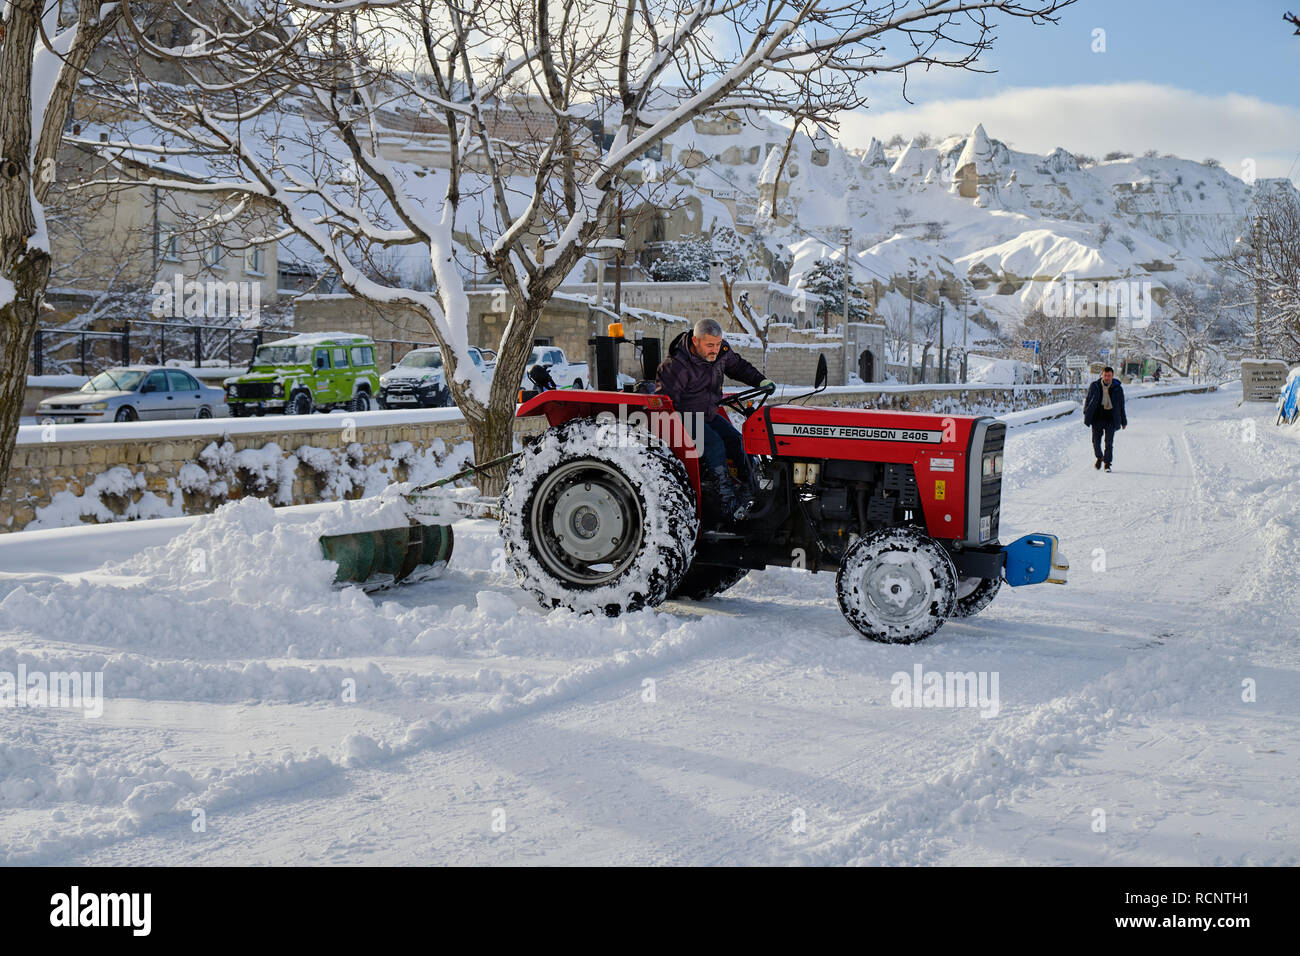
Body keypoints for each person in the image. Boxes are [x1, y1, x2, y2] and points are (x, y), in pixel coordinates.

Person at [655, 318, 773, 520]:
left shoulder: (721, 353)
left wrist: (760, 380)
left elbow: (739, 367)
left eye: (718, 344)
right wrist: (682, 429)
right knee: (715, 445)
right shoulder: (676, 365)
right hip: (682, 416)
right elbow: (665, 407)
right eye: (710, 345)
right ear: (695, 341)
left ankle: (749, 489)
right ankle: (725, 500)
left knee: (737, 441)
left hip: (708, 413)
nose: (715, 350)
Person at [1083, 366, 1127, 472]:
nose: (1107, 378)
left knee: (1109, 442)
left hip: (1111, 418)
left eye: (1109, 376)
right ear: (1102, 375)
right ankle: (1099, 457)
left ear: (1112, 376)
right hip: (1097, 417)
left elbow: (1121, 405)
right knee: (1095, 442)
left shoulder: (1118, 388)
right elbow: (1088, 400)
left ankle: (1107, 464)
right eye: (1105, 375)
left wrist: (1123, 421)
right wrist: (1086, 412)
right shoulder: (1095, 386)